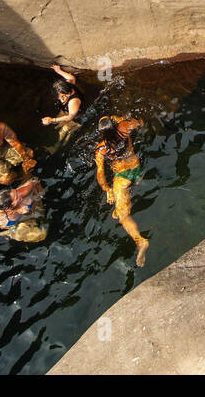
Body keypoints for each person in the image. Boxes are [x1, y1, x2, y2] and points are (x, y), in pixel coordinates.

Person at [95, 115, 150, 267]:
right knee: (120, 207)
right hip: (137, 169)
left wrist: (107, 190)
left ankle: (140, 241)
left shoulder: (102, 149)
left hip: (123, 177)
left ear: (102, 134)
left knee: (122, 216)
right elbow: (140, 122)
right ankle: (122, 204)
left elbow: (100, 174)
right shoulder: (125, 127)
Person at [40, 63, 84, 149]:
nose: (61, 100)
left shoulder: (73, 101)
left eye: (62, 97)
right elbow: (71, 77)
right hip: (67, 112)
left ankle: (56, 147)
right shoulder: (70, 84)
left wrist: (52, 120)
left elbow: (70, 117)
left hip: (76, 118)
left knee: (64, 132)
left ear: (67, 94)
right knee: (56, 126)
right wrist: (59, 71)